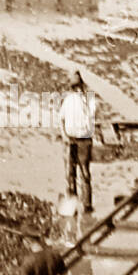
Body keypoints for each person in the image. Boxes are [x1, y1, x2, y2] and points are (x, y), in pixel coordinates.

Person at [58, 72, 94, 214]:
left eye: (79, 87)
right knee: (70, 173)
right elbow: (61, 119)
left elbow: (90, 121)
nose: (78, 90)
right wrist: (64, 135)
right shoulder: (67, 101)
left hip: (84, 140)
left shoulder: (87, 101)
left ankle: (87, 204)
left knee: (84, 172)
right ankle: (72, 202)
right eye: (75, 87)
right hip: (70, 139)